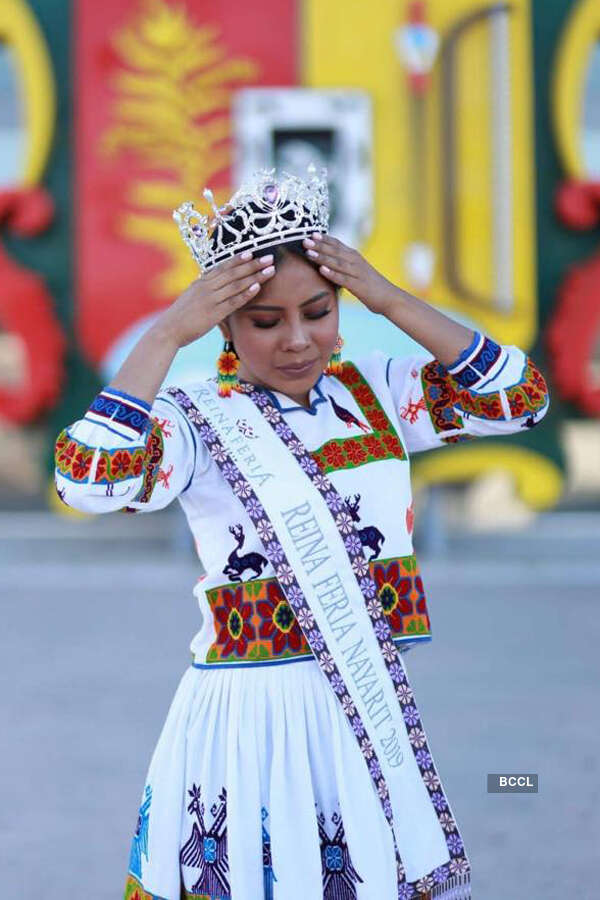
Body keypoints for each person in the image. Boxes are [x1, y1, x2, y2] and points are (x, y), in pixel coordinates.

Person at [54, 167, 550, 900]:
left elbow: (520, 400)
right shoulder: (194, 423)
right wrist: (167, 331)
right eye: (264, 321)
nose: (297, 341)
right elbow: (87, 481)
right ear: (223, 324)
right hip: (248, 712)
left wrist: (386, 296)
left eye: (318, 312)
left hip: (365, 703)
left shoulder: (379, 393)